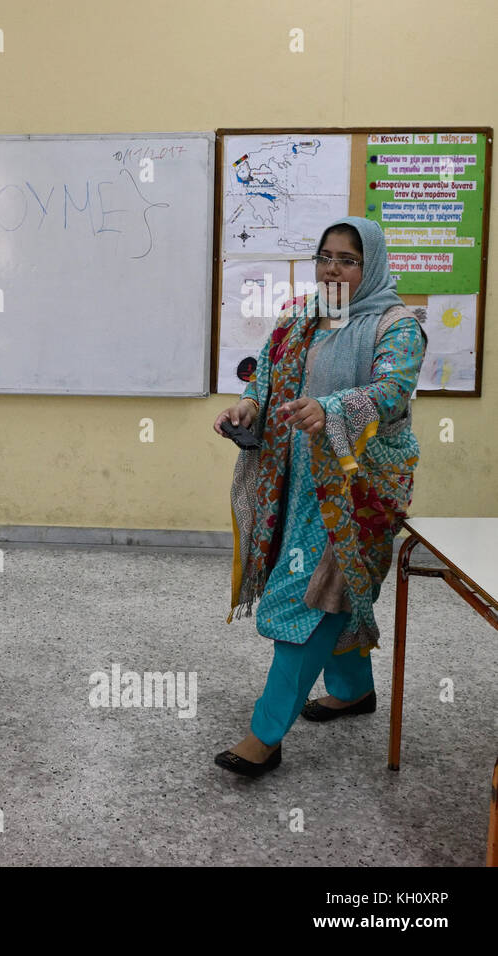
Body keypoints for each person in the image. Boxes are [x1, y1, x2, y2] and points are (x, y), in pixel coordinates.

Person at [212, 216, 426, 777]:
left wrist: (331, 409)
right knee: (342, 588)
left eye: (347, 260)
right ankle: (354, 691)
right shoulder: (299, 317)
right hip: (299, 481)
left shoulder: (397, 326)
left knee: (311, 597)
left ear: (371, 265)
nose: (332, 268)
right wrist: (247, 406)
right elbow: (265, 380)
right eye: (325, 256)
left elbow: (390, 393)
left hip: (359, 488)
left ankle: (265, 735)